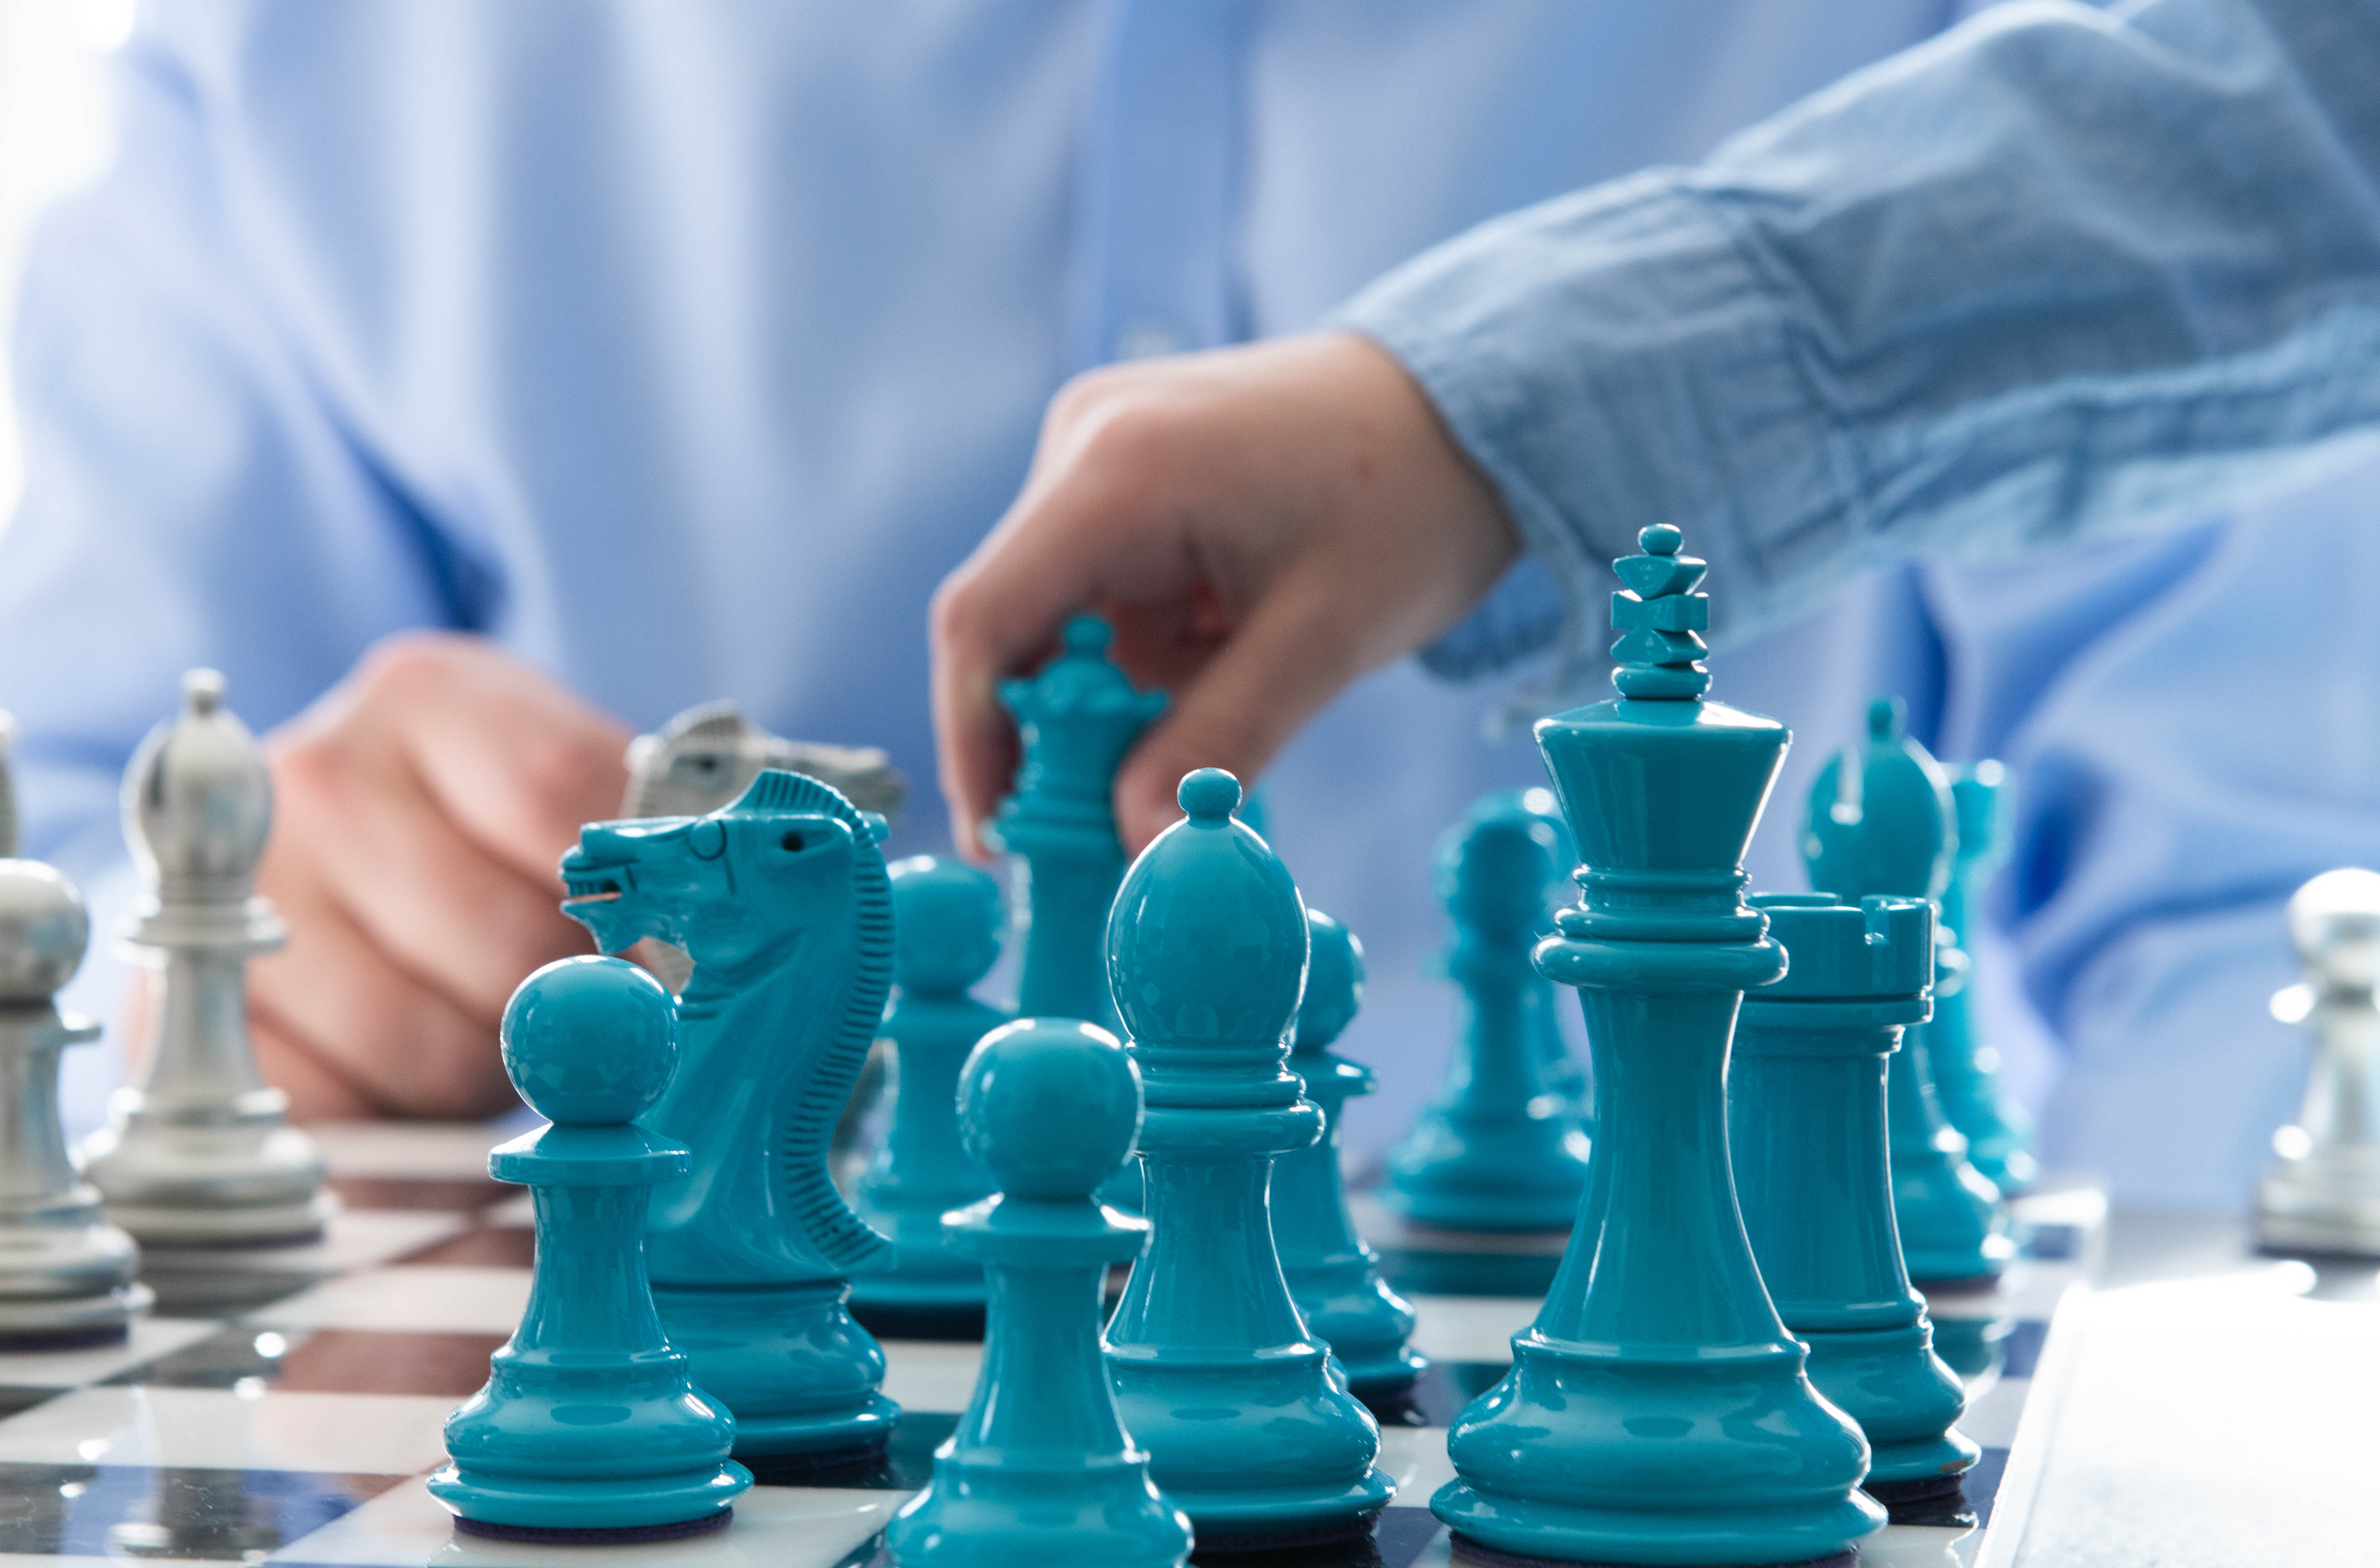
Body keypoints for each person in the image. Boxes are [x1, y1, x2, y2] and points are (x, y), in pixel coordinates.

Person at [2, 0, 2375, 1204]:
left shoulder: (2066, 69)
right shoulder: (313, 61)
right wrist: (227, 943)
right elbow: (75, 856)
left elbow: (2260, 967)